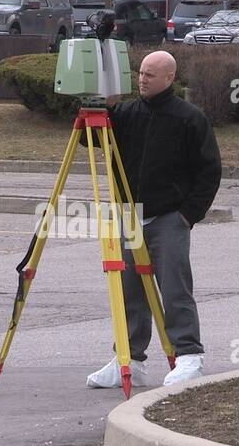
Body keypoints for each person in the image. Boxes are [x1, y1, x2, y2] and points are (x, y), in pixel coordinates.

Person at [85, 50, 221, 389]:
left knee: (174, 287)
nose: (143, 79)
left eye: (150, 74)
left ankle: (189, 355)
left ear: (169, 78)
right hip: (132, 216)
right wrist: (101, 106)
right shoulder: (127, 114)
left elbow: (209, 171)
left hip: (169, 218)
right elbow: (97, 142)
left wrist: (188, 215)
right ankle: (129, 358)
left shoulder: (190, 118)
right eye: (141, 73)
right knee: (130, 289)